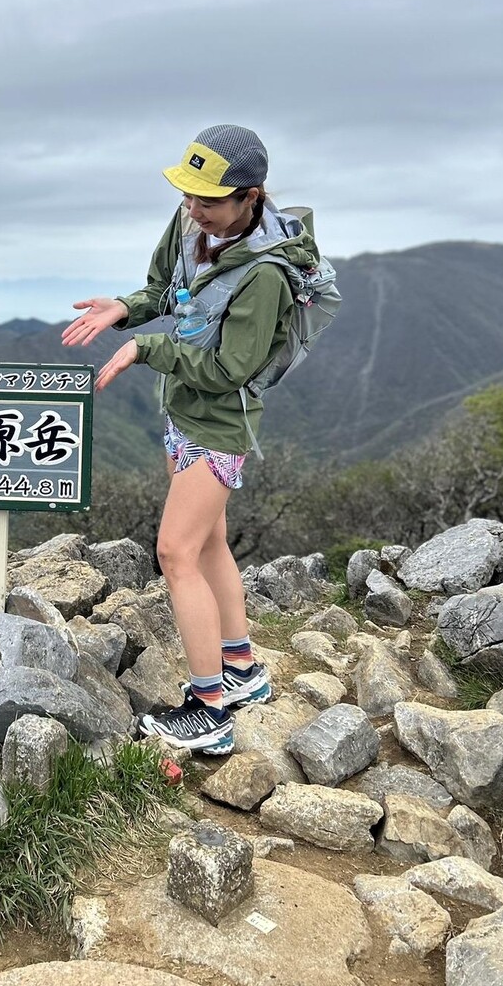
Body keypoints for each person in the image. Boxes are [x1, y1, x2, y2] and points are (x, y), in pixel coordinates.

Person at [61, 124, 322, 756]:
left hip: (222, 424)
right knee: (208, 546)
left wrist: (146, 347)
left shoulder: (264, 276)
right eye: (188, 193)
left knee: (175, 553)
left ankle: (209, 710)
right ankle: (242, 671)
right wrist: (125, 309)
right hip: (184, 413)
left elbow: (232, 370)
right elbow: (160, 291)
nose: (192, 208)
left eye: (208, 199)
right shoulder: (189, 224)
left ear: (250, 198)